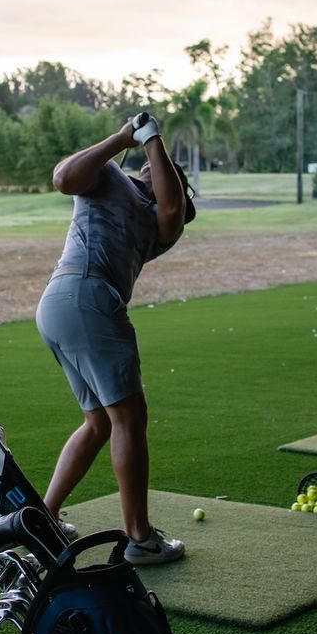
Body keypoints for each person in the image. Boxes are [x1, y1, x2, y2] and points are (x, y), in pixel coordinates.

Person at [36, 112, 194, 565]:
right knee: (129, 417)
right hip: (80, 295)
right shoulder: (106, 176)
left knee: (101, 422)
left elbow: (170, 209)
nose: (154, 168)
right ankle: (141, 538)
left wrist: (152, 141)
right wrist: (123, 138)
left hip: (67, 305)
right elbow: (64, 177)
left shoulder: (161, 224)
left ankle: (45, 518)